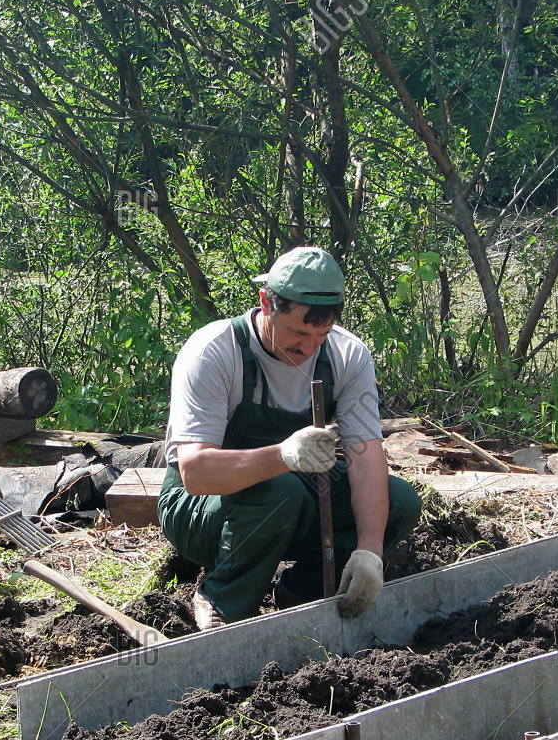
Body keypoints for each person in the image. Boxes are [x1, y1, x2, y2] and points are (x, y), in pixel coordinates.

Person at [158, 246, 423, 630]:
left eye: (321, 335)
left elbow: (365, 459)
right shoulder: (215, 351)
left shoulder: (347, 356)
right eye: (299, 332)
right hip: (200, 509)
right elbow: (195, 474)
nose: (309, 348)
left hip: (289, 500)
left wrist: (369, 551)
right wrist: (284, 455)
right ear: (266, 303)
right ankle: (222, 597)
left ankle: (303, 593)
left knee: (400, 502)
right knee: (281, 490)